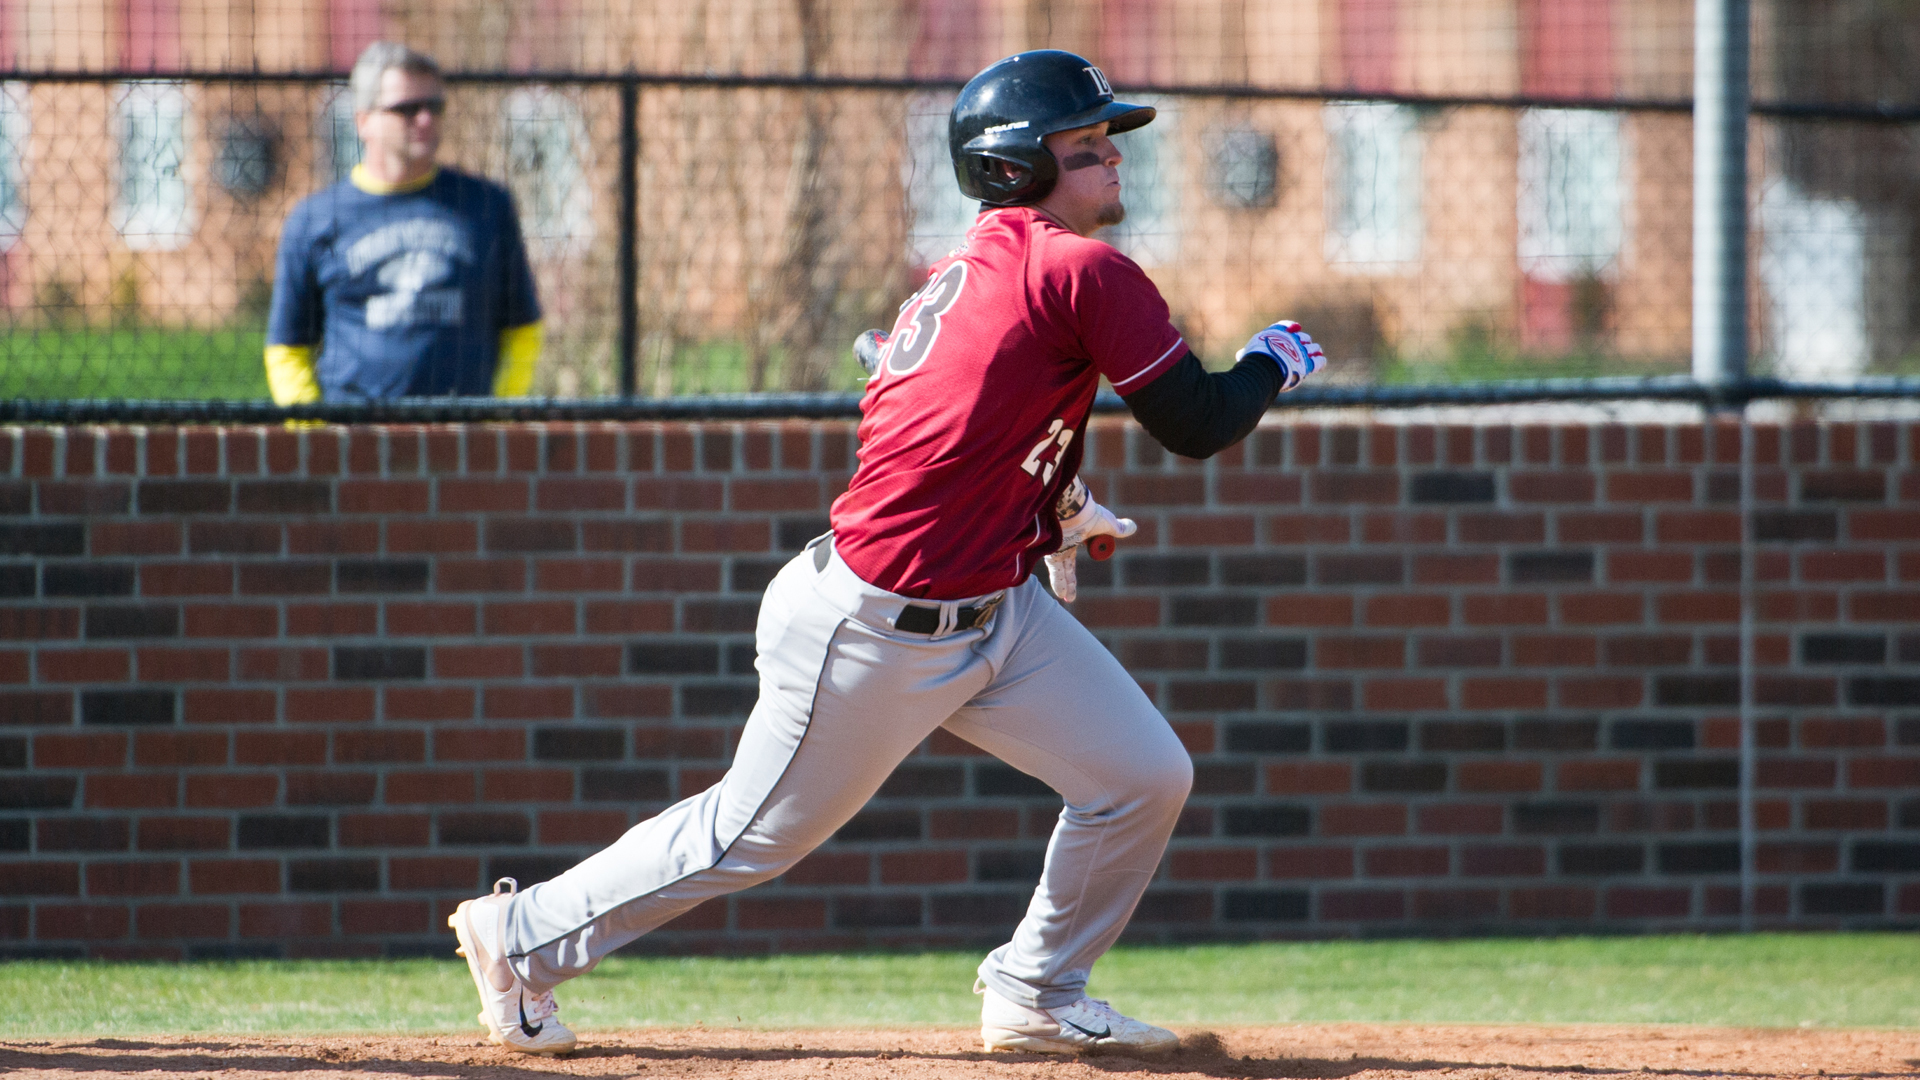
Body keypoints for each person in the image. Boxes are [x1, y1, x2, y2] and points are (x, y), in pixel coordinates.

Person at [447, 48, 1326, 1058]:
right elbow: (1199, 423)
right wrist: (1270, 362)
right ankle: (521, 936)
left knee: (1142, 775)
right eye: (1085, 145)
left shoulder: (976, 276)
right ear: (1014, 166)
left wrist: (1057, 509)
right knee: (747, 837)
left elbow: (970, 441)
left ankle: (1037, 988)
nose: (1111, 160)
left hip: (995, 604)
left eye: (1107, 142)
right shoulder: (1080, 268)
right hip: (872, 621)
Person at [263, 41, 543, 403]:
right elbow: (287, 347)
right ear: (364, 121)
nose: (425, 119)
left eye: (434, 106)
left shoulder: (486, 205)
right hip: (356, 442)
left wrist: (495, 419)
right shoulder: (315, 219)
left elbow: (523, 329)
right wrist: (317, 437)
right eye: (407, 109)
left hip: (462, 440)